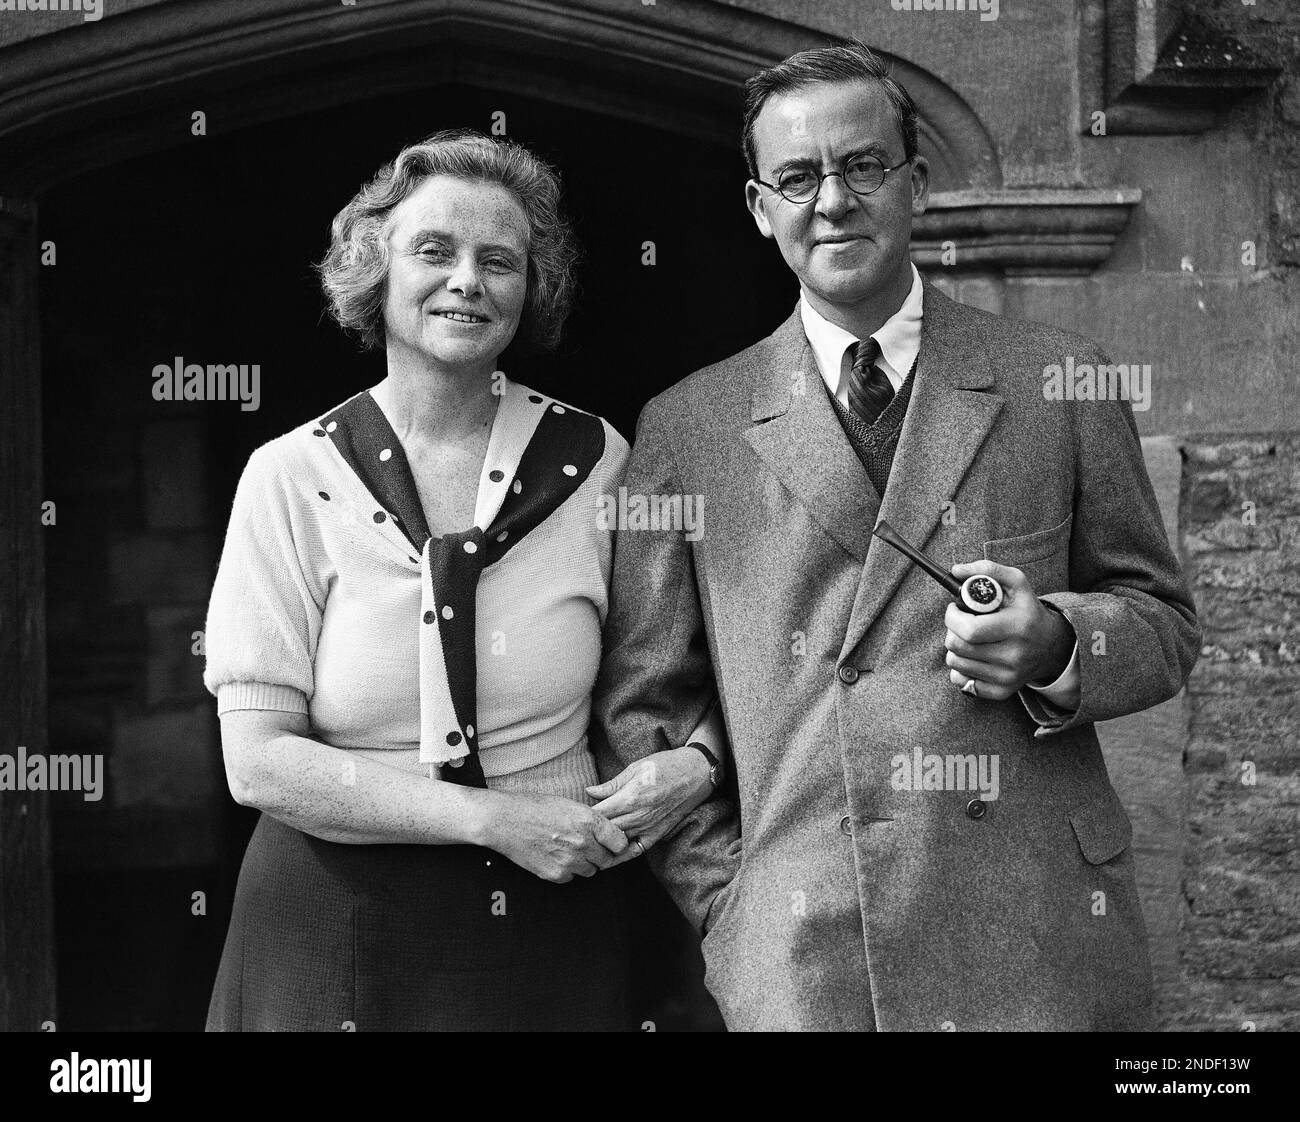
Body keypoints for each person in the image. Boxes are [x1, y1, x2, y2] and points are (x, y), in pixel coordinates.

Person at [592, 42, 1201, 1031]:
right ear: (760, 208)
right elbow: (644, 706)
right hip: (809, 952)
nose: (832, 200)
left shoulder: (1057, 378)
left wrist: (1053, 640)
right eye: (798, 177)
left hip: (1034, 931)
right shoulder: (690, 426)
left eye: (862, 165)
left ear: (914, 184)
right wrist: (735, 907)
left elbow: (1163, 625)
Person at [202, 129, 723, 1031]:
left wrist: (700, 761)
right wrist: (492, 821)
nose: (468, 281)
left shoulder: (596, 462)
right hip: (332, 918)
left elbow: (696, 664)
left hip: (547, 918)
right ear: (375, 271)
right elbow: (258, 763)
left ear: (534, 288)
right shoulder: (289, 477)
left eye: (500, 260)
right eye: (434, 251)